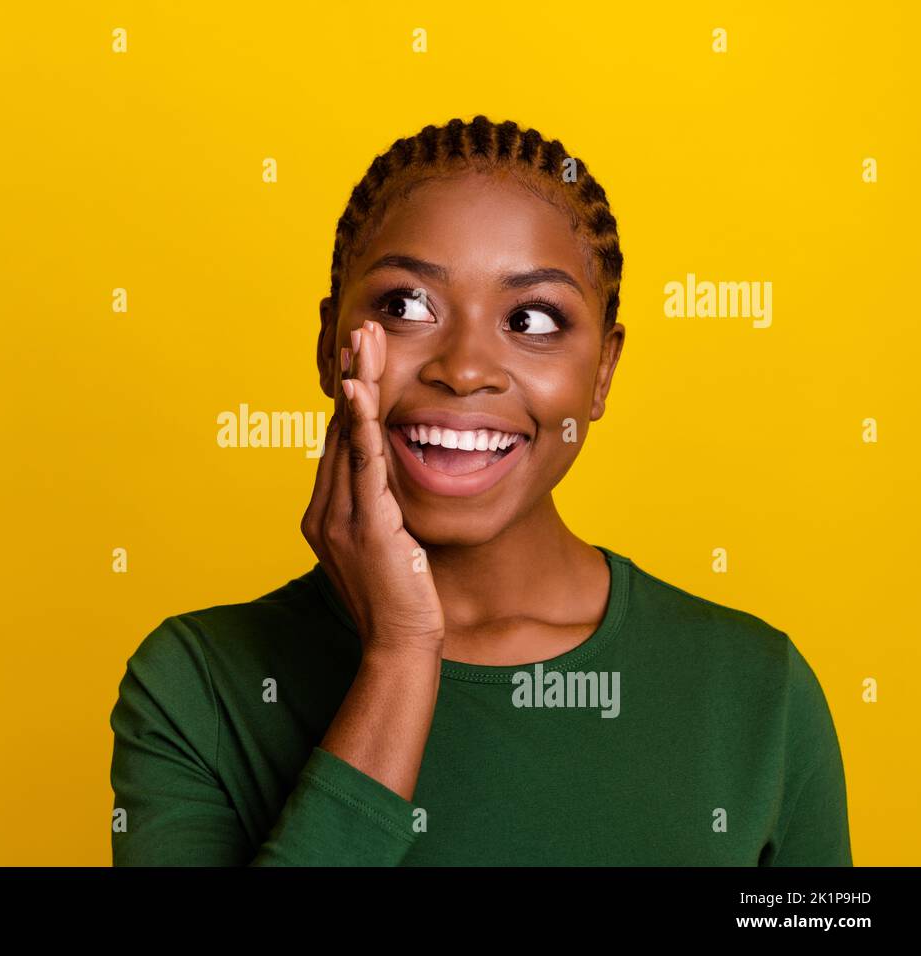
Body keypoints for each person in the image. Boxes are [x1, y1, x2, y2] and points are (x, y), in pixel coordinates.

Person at [108, 115, 851, 865]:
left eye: (531, 319)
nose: (464, 368)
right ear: (331, 344)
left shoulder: (758, 694)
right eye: (405, 307)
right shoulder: (195, 688)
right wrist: (399, 659)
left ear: (602, 373)